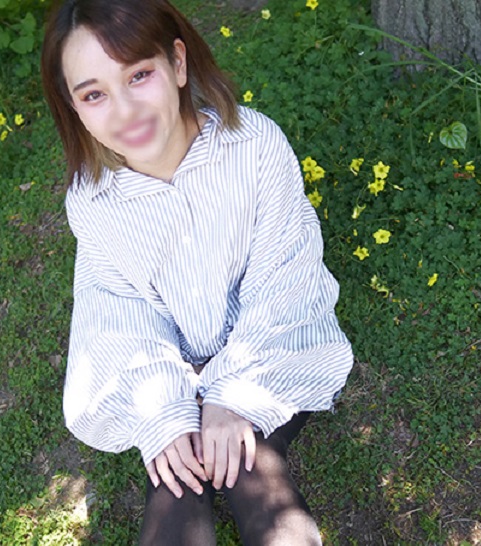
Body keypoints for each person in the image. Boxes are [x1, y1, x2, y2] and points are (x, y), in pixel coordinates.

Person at [40, 1, 355, 543]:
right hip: (175, 369)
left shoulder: (254, 148)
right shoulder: (93, 201)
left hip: (268, 349)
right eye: (94, 94)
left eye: (139, 75)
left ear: (178, 64)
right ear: (74, 107)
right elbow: (120, 309)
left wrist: (230, 397)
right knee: (177, 486)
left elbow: (283, 277)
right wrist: (167, 412)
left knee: (252, 469)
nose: (124, 111)